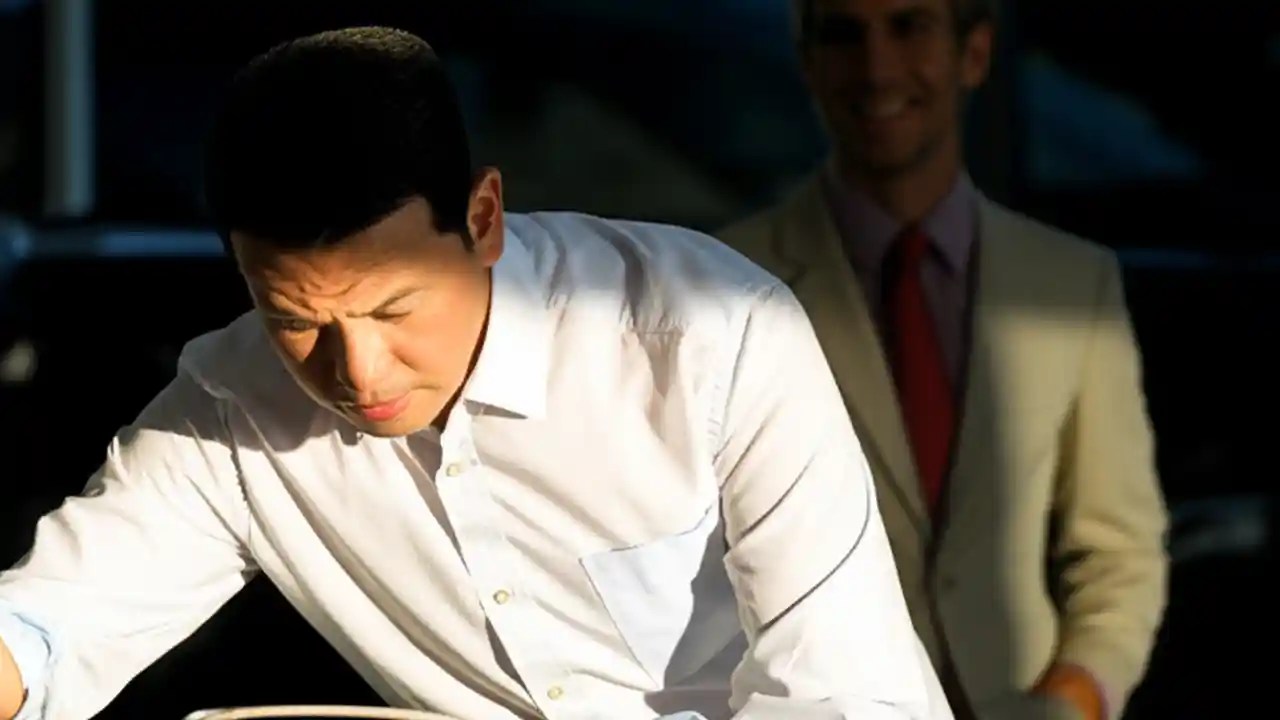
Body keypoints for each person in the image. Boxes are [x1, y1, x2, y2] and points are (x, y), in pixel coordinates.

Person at [0, 26, 951, 720]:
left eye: (393, 309)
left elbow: (841, 693)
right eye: (296, 321)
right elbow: (47, 626)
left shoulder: (710, 334)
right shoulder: (233, 409)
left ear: (484, 218)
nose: (357, 371)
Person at [716, 2, 1169, 720]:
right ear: (808, 65)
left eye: (909, 27)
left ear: (975, 53)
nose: (877, 68)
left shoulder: (1071, 283)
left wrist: (1074, 698)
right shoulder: (724, 282)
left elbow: (1120, 552)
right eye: (844, 35)